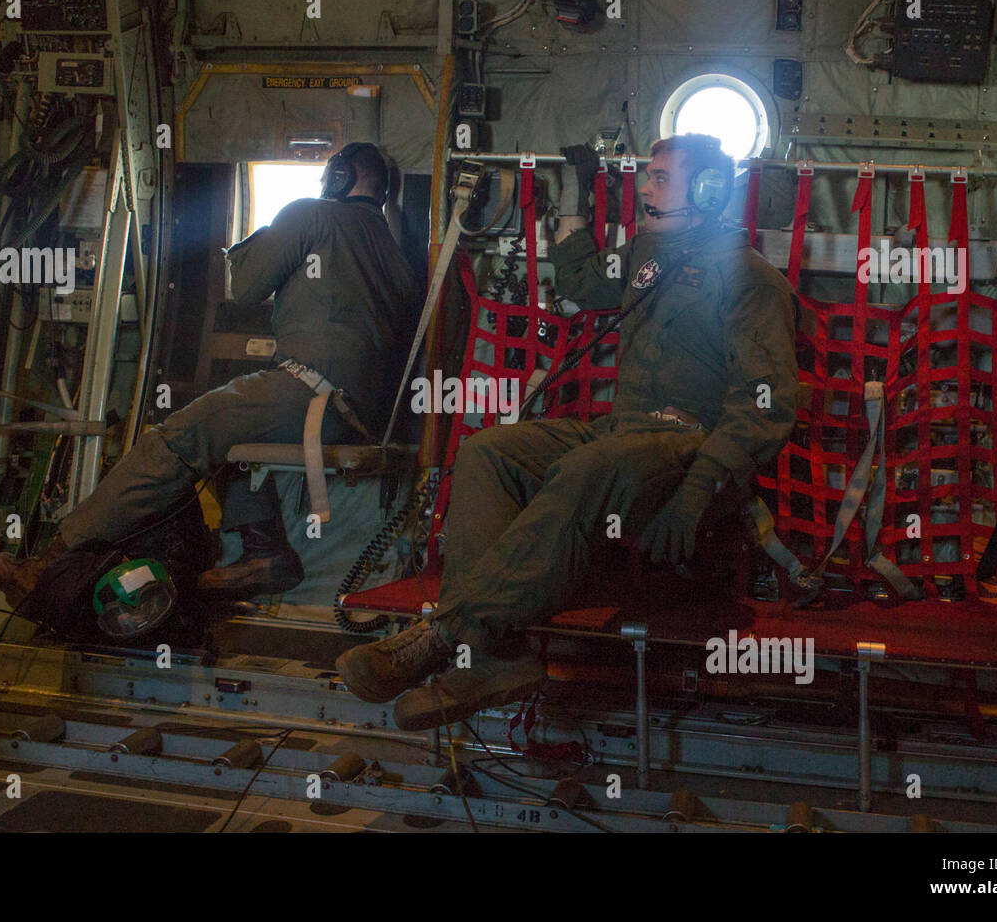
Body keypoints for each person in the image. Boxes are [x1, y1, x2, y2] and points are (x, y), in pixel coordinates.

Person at [336, 133, 799, 730]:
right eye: (646, 176)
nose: (646, 187)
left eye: (660, 177)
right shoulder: (647, 256)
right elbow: (581, 281)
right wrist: (579, 197)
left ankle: (448, 635)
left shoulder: (750, 279)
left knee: (588, 468)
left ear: (708, 192)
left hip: (693, 449)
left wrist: (698, 491)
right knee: (489, 452)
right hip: (624, 434)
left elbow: (766, 403)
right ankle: (494, 658)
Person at [0, 142, 423, 604]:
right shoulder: (395, 253)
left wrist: (257, 240)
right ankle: (264, 551)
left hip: (312, 392)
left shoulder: (311, 214)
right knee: (224, 426)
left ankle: (47, 566)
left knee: (175, 437)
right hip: (361, 414)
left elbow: (245, 288)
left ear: (337, 177)